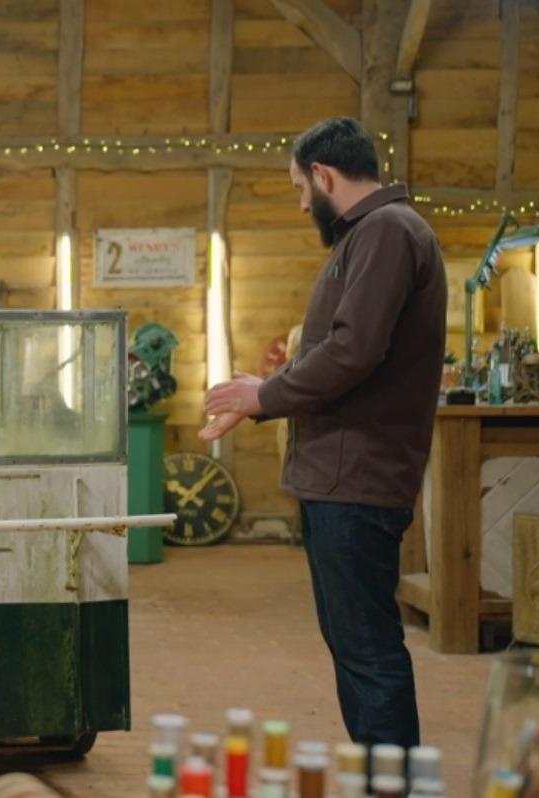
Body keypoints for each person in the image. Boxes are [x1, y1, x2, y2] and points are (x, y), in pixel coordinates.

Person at [201, 117, 446, 747]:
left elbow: (354, 351)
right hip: (343, 477)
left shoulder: (387, 232)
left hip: (357, 480)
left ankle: (392, 787)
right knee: (355, 647)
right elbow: (344, 350)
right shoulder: (371, 235)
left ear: (323, 174)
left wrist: (264, 396)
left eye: (299, 187)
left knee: (367, 652)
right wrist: (270, 389)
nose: (302, 202)